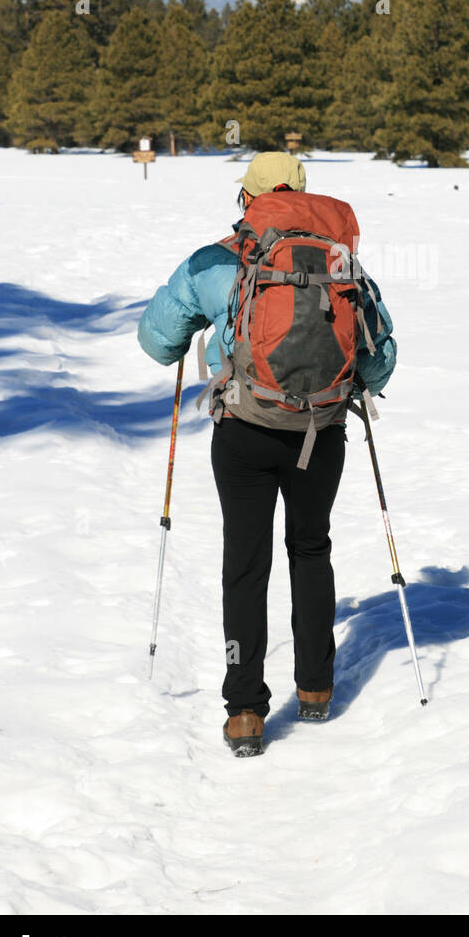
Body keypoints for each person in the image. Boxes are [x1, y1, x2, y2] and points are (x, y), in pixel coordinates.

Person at [137, 152, 396, 756]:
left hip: (244, 431)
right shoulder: (341, 261)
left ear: (245, 198)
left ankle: (247, 712)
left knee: (246, 563)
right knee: (311, 547)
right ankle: (315, 689)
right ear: (304, 194)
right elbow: (380, 361)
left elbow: (156, 342)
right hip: (322, 429)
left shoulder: (215, 259)